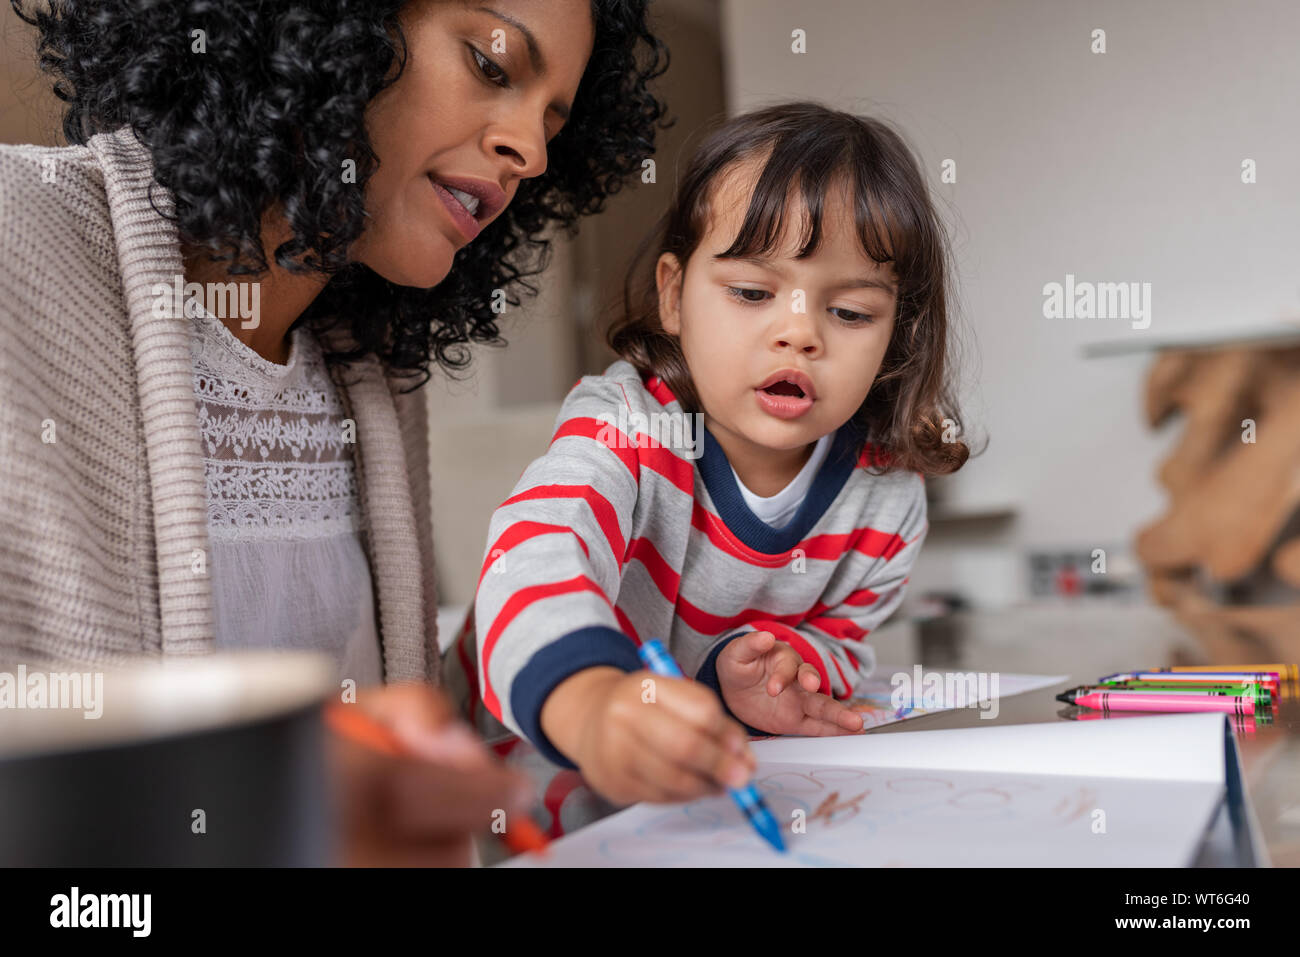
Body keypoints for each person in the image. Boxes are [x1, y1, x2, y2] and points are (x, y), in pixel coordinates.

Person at [0, 0, 669, 864]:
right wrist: (287, 782)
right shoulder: (17, 238)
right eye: (491, 66)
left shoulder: (371, 372)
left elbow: (400, 741)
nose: (530, 153)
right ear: (326, 30)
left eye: (551, 121)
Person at [458, 102, 971, 807]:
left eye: (850, 312)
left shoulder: (886, 498)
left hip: (713, 800)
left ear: (896, 334)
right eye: (753, 292)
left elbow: (843, 640)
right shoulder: (626, 427)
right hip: (528, 784)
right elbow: (536, 552)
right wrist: (594, 701)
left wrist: (783, 671)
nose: (800, 334)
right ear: (674, 296)